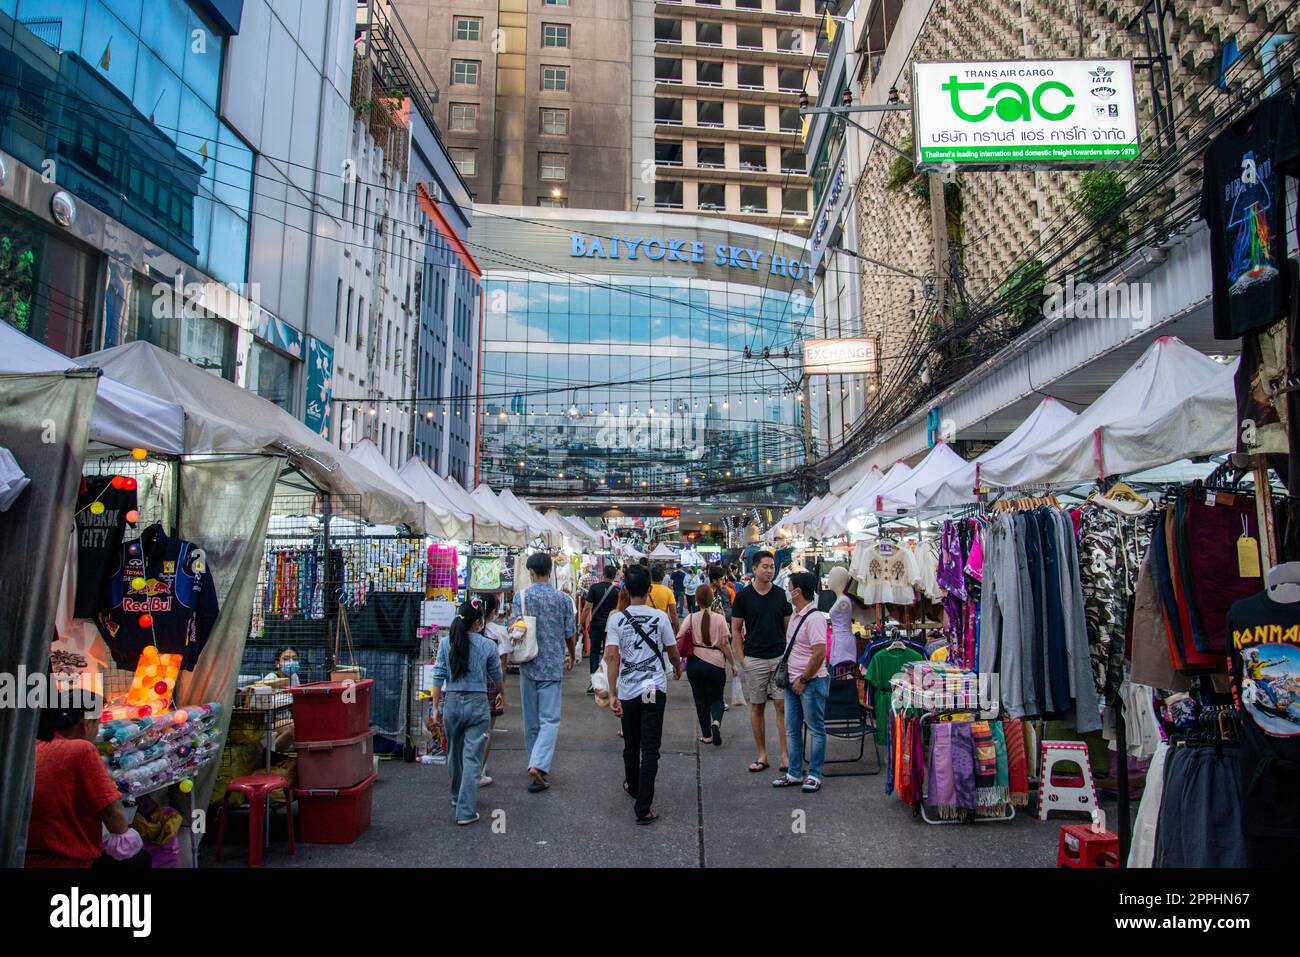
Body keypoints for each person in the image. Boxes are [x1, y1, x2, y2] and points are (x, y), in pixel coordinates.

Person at [26, 694, 150, 868]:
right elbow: (112, 814)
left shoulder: (33, 746)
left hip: (27, 856)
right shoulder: (81, 749)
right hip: (68, 860)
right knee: (139, 860)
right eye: (97, 724)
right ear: (85, 724)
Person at [605, 564, 681, 824]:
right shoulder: (659, 617)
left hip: (627, 689)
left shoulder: (616, 619)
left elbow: (612, 658)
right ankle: (644, 805)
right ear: (649, 589)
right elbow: (672, 650)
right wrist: (678, 668)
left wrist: (612, 693)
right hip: (652, 687)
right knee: (650, 746)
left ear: (625, 588)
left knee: (631, 742)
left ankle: (632, 784)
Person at [426, 599, 502, 824]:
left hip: (453, 703)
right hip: (478, 704)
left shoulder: (446, 643)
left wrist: (435, 708)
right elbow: (496, 675)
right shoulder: (487, 645)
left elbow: (439, 675)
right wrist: (500, 694)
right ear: (479, 622)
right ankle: (466, 811)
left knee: (454, 753)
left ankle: (455, 796)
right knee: (472, 758)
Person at [509, 551, 577, 792]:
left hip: (528, 662)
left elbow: (514, 626)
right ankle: (538, 763)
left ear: (530, 572)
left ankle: (533, 762)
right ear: (550, 571)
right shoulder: (562, 599)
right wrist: (571, 655)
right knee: (550, 719)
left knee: (531, 720)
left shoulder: (521, 596)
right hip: (552, 664)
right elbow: (570, 632)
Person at [730, 550, 793, 773]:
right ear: (754, 569)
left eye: (772, 566)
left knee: (781, 706)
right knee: (757, 706)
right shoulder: (744, 596)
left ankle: (785, 755)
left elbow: (789, 628)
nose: (769, 570)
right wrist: (741, 659)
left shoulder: (781, 595)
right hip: (754, 658)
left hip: (778, 658)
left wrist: (789, 656)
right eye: (765, 566)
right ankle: (762, 755)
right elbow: (736, 630)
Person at [771, 571, 831, 793]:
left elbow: (819, 654)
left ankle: (814, 774)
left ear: (797, 590)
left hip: (811, 682)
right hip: (791, 681)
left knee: (816, 728)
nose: (787, 589)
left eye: (789, 585)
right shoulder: (796, 615)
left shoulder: (814, 618)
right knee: (792, 729)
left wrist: (804, 679)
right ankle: (794, 773)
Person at [680, 583, 734, 746]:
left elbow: (679, 637)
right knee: (716, 698)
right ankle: (716, 722)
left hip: (695, 664)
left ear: (696, 600)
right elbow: (725, 644)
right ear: (712, 600)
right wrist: (733, 664)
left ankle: (706, 735)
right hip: (716, 664)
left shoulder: (690, 618)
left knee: (700, 700)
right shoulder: (720, 619)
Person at [479, 594, 510, 787]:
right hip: (490, 685)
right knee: (486, 731)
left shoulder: (465, 630)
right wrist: (502, 690)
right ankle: (479, 771)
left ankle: (465, 772)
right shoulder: (499, 631)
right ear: (493, 612)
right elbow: (503, 664)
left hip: (464, 686)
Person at [581, 563, 621, 692]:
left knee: (594, 652)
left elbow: (587, 607)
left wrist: (581, 623)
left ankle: (594, 683)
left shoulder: (594, 588)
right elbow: (619, 609)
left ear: (603, 574)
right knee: (609, 654)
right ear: (614, 576)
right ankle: (608, 683)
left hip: (596, 625)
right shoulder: (617, 590)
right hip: (612, 627)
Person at [648, 565, 681, 633]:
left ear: (651, 577)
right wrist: (678, 631)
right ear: (663, 577)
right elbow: (673, 613)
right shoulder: (668, 591)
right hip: (662, 623)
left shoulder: (645, 590)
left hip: (647, 624)